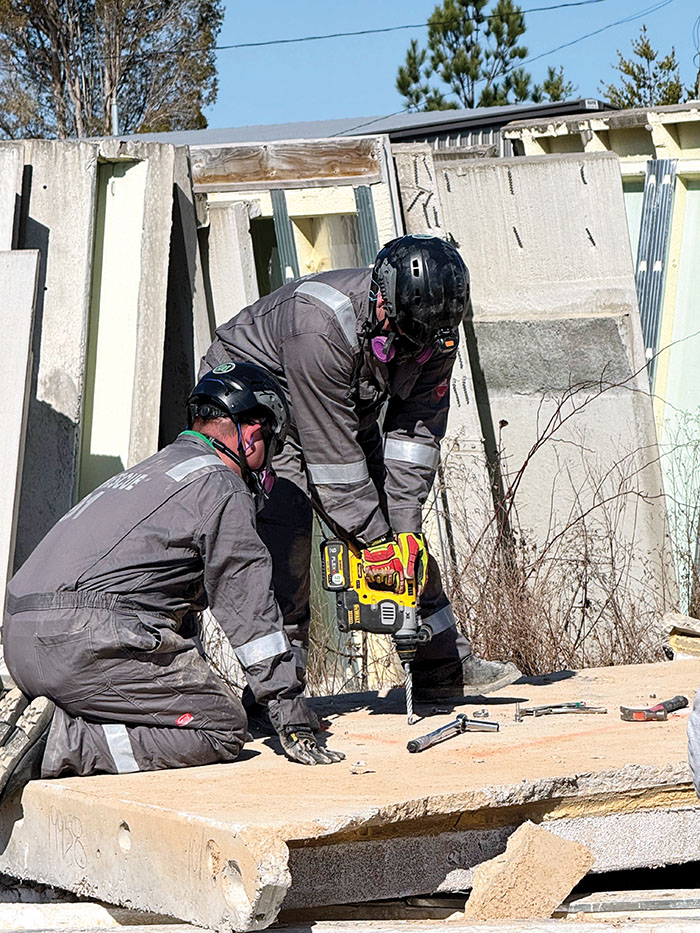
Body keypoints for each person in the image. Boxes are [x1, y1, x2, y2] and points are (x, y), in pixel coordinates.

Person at [200, 234, 521, 717]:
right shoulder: (321, 326)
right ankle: (277, 697)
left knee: (399, 538)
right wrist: (376, 545)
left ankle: (442, 670)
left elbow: (415, 435)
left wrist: (402, 534)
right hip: (257, 404)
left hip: (343, 399)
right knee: (286, 537)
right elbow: (335, 470)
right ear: (383, 300)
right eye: (409, 337)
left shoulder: (433, 333)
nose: (419, 351)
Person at [0, 363, 345, 803]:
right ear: (252, 431)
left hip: (23, 643)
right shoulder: (221, 487)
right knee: (220, 726)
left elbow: (154, 597)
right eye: (272, 442)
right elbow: (251, 617)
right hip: (80, 645)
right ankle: (57, 744)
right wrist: (291, 718)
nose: (270, 457)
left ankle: (26, 723)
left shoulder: (155, 470)